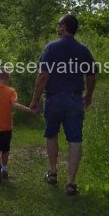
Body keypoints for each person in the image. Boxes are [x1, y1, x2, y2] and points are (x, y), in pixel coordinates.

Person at [29, 14, 96, 196]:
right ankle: (71, 182)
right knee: (75, 139)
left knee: (51, 135)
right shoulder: (83, 50)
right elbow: (91, 76)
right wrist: (88, 96)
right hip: (75, 99)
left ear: (64, 27)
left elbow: (43, 77)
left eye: (58, 24)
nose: (57, 27)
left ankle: (53, 172)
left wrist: (35, 100)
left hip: (54, 98)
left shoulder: (51, 47)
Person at [0, 68, 36, 183]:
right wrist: (29, 110)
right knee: (5, 150)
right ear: (8, 78)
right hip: (6, 128)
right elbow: (14, 105)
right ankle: (4, 169)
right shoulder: (11, 91)